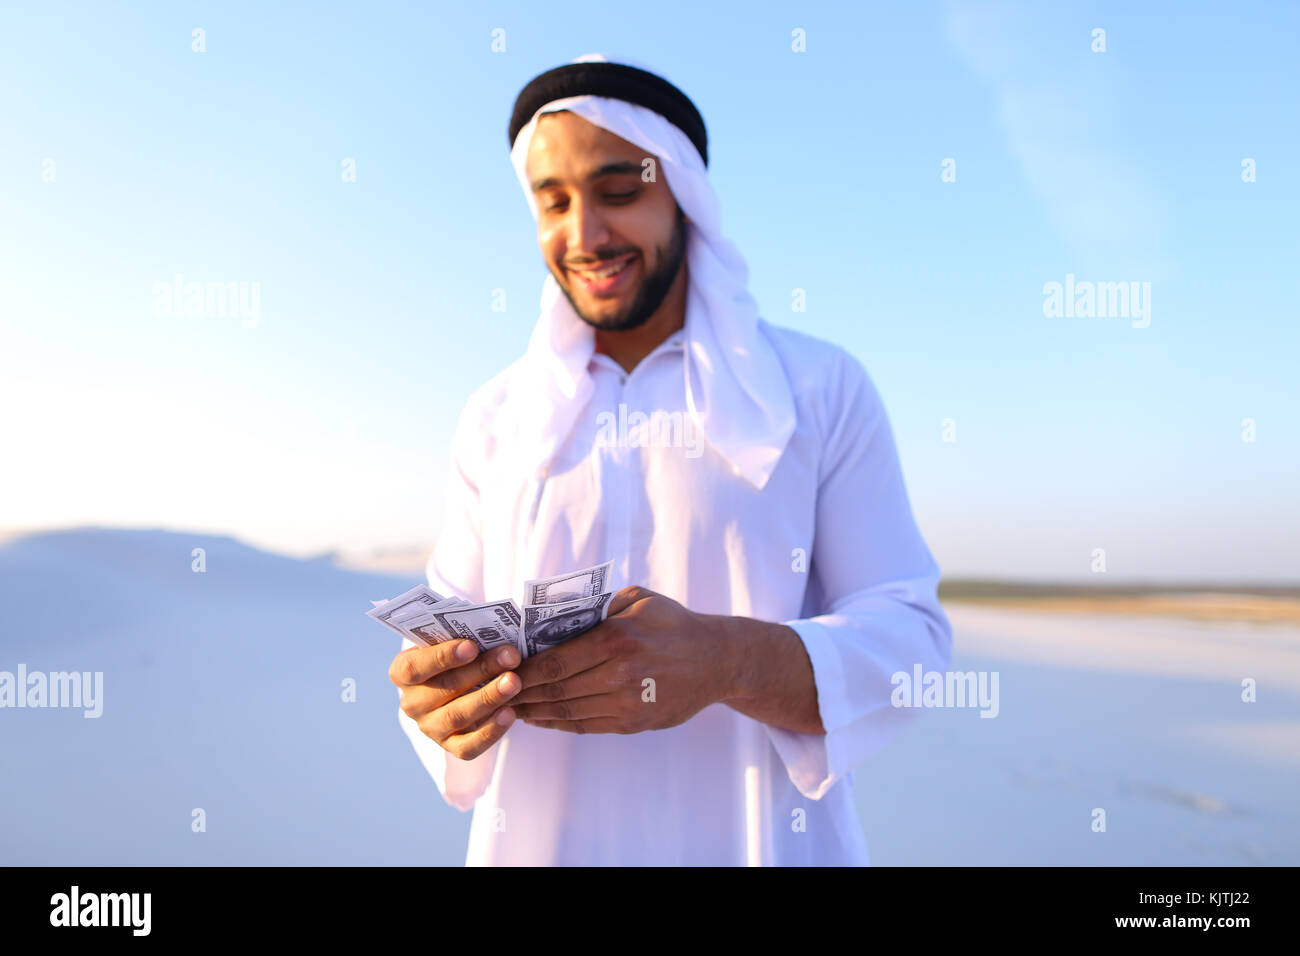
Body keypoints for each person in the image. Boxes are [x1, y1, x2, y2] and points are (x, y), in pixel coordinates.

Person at [389, 53, 953, 865]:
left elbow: (913, 642)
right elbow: (446, 621)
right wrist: (435, 702)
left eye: (619, 192)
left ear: (683, 197)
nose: (584, 235)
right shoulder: (494, 416)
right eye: (553, 203)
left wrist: (729, 660)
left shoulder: (819, 388)